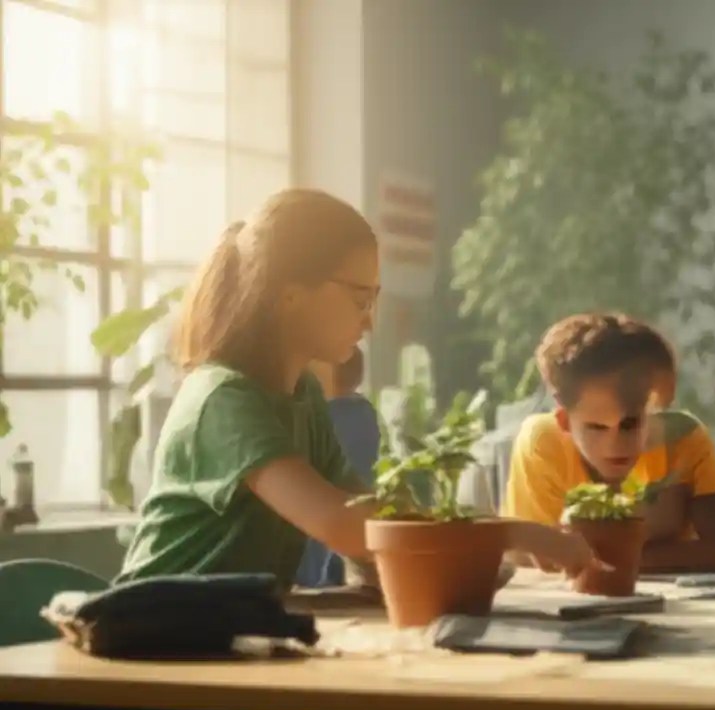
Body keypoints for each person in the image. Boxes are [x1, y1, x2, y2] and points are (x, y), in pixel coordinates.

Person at [117, 189, 594, 590]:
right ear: (289, 294)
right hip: (152, 645)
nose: (370, 320)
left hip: (227, 638)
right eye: (359, 298)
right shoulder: (222, 399)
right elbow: (342, 526)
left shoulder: (301, 394)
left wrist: (465, 556)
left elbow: (371, 511)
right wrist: (508, 533)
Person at [502, 313, 715, 574]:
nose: (615, 445)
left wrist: (599, 557)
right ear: (565, 421)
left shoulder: (684, 440)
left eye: (630, 424)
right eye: (596, 428)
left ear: (650, 409)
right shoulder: (542, 441)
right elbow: (541, 558)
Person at [295, 348, 381, 588]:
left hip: (310, 573)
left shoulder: (331, 414)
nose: (367, 324)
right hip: (313, 569)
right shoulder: (359, 414)